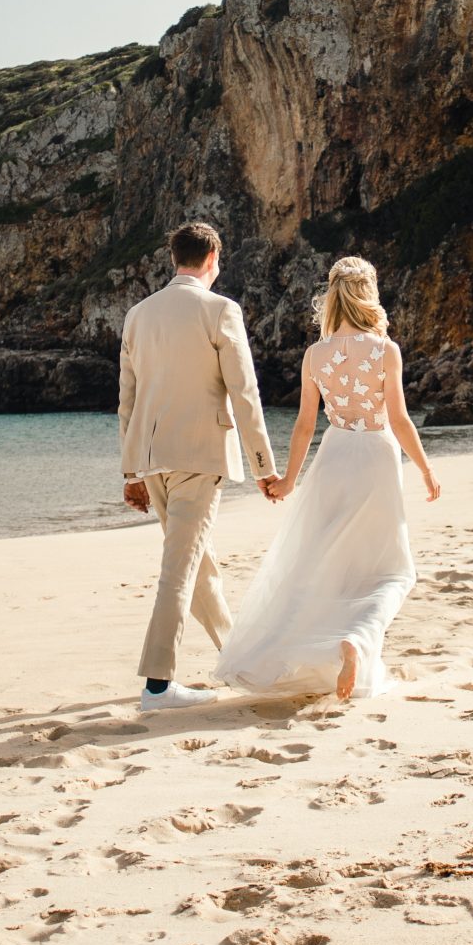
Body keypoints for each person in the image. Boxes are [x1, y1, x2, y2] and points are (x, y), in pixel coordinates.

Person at [215, 255, 440, 701]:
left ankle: (327, 648)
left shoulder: (315, 355)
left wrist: (288, 480)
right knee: (392, 571)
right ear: (368, 296)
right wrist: (426, 468)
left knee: (327, 564)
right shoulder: (384, 351)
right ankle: (356, 639)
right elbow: (399, 418)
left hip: (334, 458)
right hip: (376, 458)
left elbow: (303, 425)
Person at [116, 220, 283, 713]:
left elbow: (127, 398)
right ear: (213, 258)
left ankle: (238, 658)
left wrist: (131, 473)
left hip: (152, 460)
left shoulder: (138, 315)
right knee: (180, 569)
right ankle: (157, 685)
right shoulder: (221, 310)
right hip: (199, 455)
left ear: (175, 260)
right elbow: (244, 393)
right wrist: (263, 469)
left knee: (200, 567)